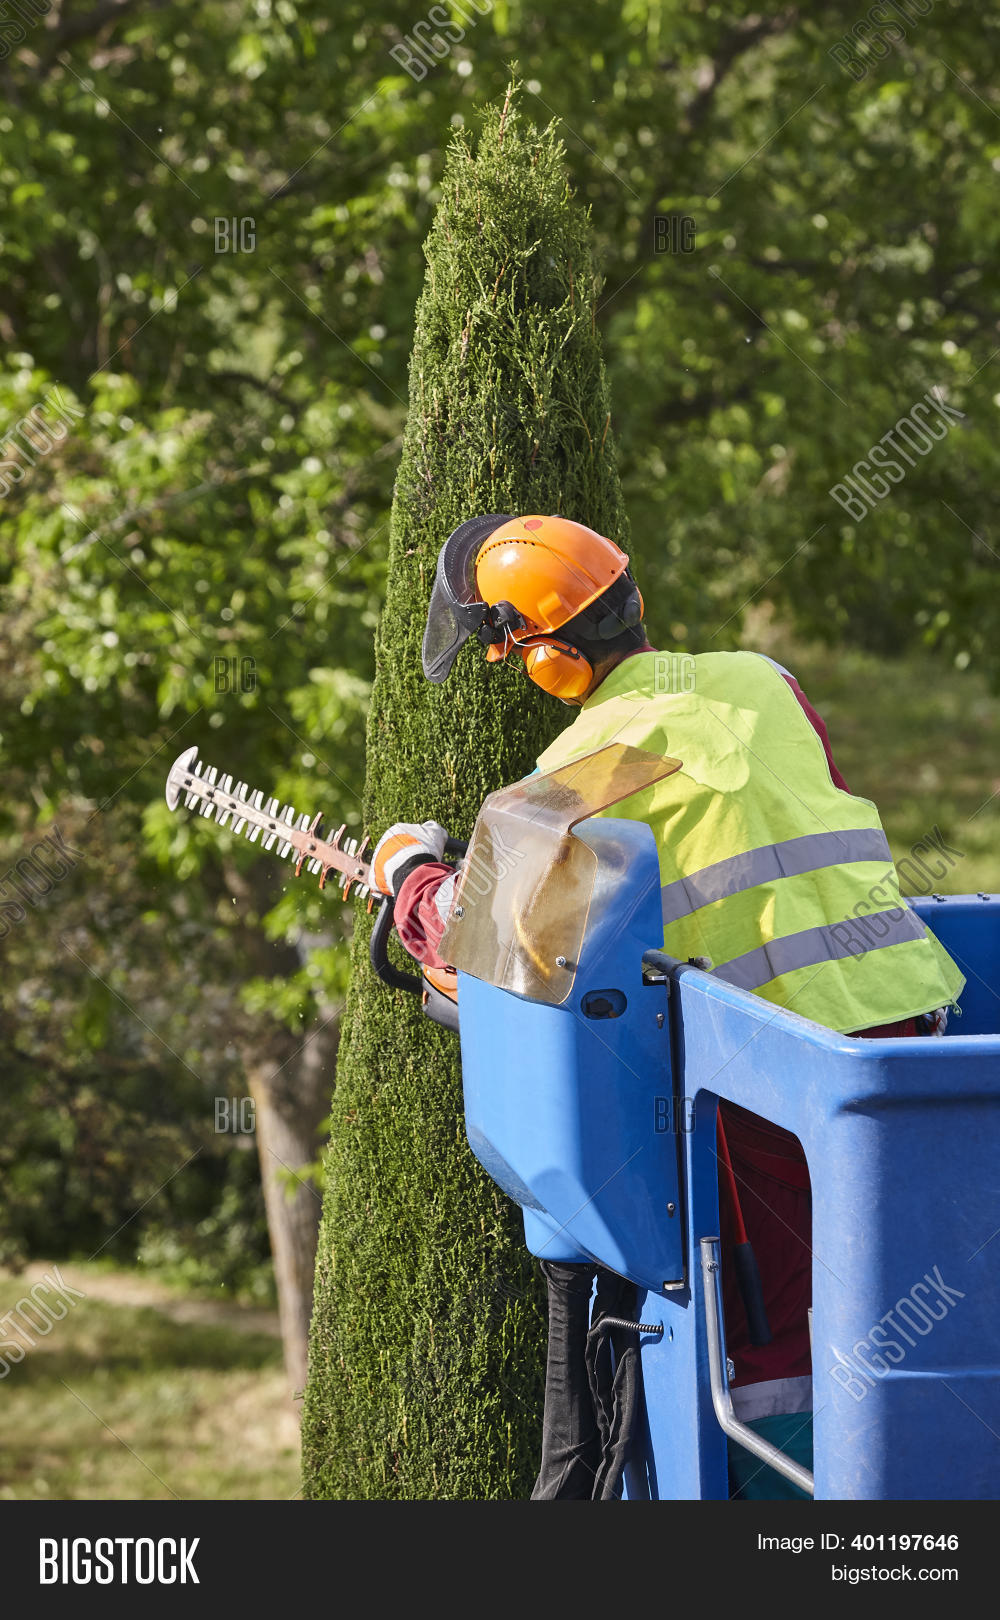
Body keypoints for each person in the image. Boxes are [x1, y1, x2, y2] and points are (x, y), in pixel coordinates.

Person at [369, 512, 965, 1500]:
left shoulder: (590, 763)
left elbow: (481, 932)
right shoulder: (757, 680)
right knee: (925, 1305)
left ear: (551, 656)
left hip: (779, 1083)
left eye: (513, 650)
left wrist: (407, 874)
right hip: (917, 1031)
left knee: (785, 1351)